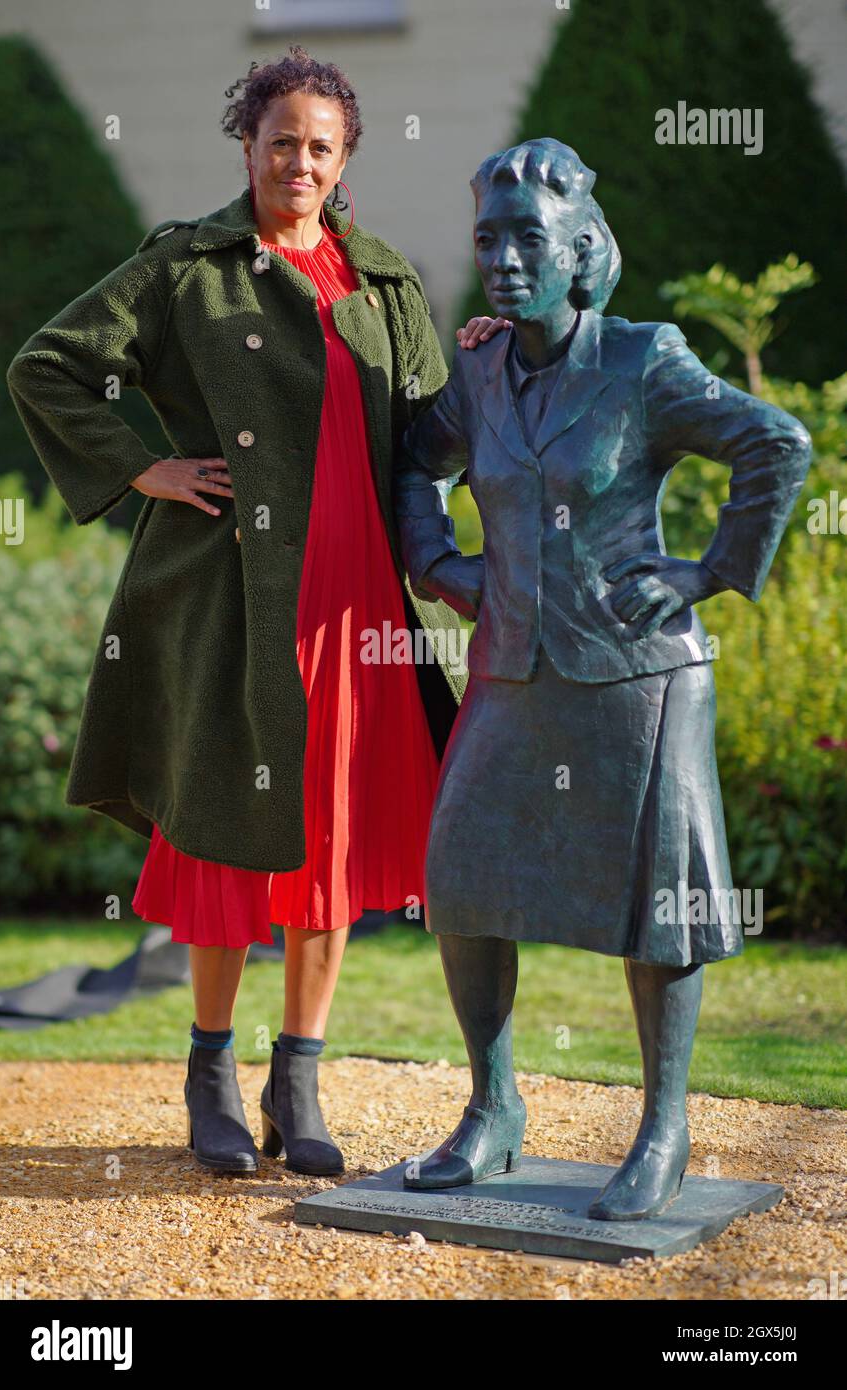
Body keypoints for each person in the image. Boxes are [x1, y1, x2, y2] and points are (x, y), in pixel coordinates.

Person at [6, 46, 508, 1178]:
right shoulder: (188, 267)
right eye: (280, 139)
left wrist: (479, 363)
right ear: (247, 143)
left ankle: (300, 1078)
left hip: (357, 608)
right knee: (231, 838)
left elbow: (427, 433)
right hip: (234, 600)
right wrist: (146, 470)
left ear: (344, 160)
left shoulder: (380, 281)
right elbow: (49, 365)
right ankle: (209, 1069)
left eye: (320, 145)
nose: (299, 161)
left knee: (327, 839)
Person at [394, 137, 812, 1220]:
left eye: (525, 238)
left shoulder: (642, 360)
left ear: (581, 252)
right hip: (510, 666)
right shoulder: (478, 370)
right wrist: (441, 566)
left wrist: (713, 571)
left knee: (656, 911)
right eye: (487, 238)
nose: (500, 258)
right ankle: (492, 1113)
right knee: (462, 876)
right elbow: (413, 461)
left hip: (639, 677)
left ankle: (662, 1130)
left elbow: (774, 442)